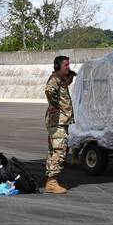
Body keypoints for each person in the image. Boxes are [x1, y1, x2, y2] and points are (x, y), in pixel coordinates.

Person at [43, 55, 76, 194]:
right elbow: (49, 91)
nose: (68, 67)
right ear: (58, 66)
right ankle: (52, 181)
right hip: (57, 122)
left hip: (60, 121)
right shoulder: (55, 80)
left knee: (55, 150)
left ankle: (51, 180)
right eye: (66, 65)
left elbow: (66, 82)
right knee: (59, 150)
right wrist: (56, 105)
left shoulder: (60, 80)